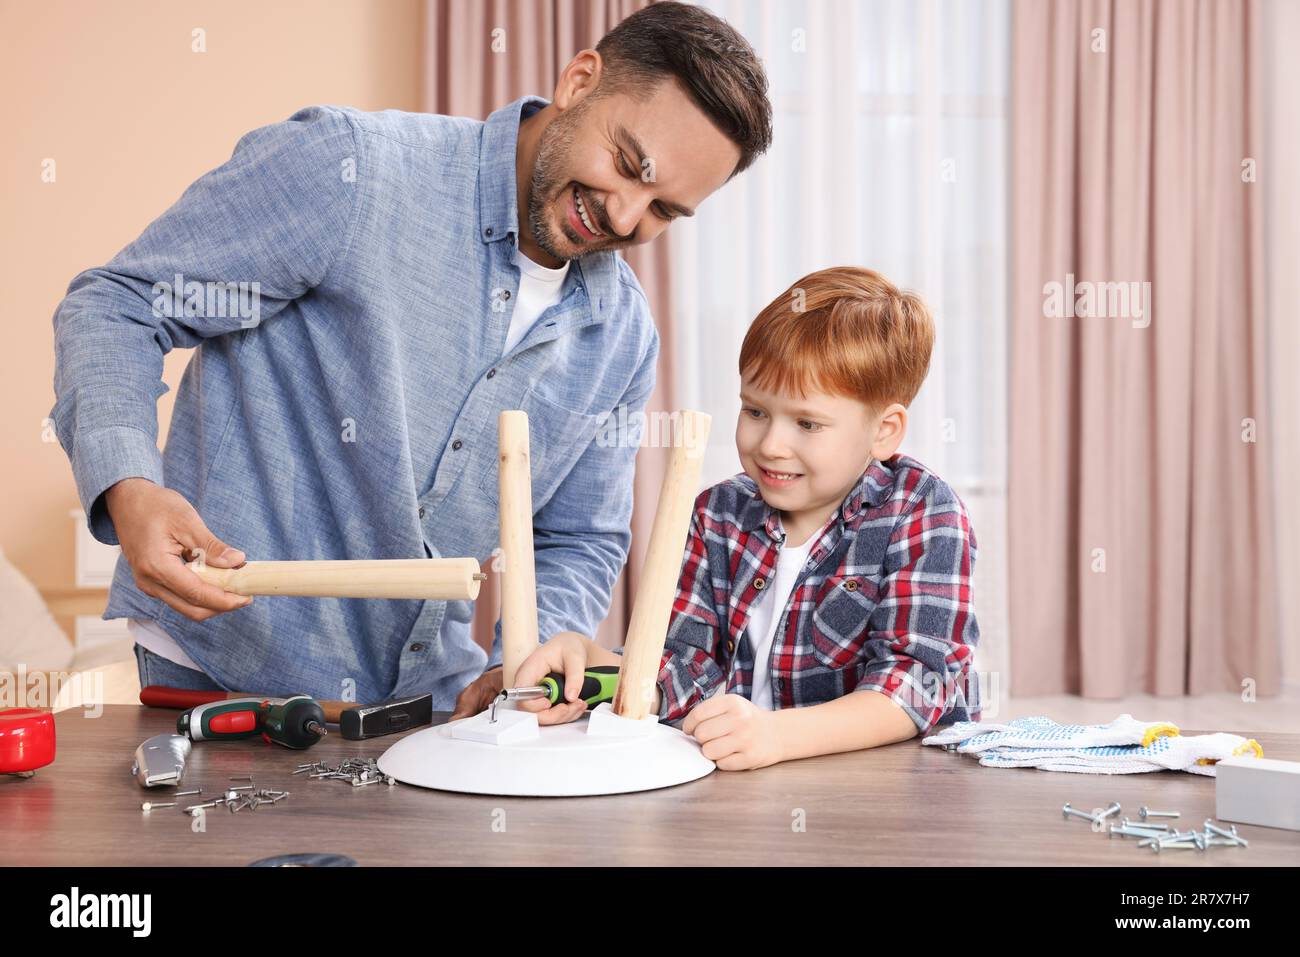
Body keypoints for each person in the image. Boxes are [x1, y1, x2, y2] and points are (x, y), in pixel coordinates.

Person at [48, 2, 772, 708]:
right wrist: (130, 489)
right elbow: (119, 303)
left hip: (427, 710)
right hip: (216, 676)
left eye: (663, 211)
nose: (622, 215)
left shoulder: (623, 335)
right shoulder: (349, 169)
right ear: (578, 81)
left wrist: (531, 654)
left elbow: (578, 539)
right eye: (628, 163)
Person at [512, 267, 981, 768]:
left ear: (884, 431)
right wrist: (598, 668)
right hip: (740, 783)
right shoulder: (718, 514)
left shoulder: (924, 511)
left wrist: (776, 736)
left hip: (877, 794)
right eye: (755, 411)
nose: (771, 445)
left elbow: (915, 683)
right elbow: (687, 668)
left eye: (807, 423)